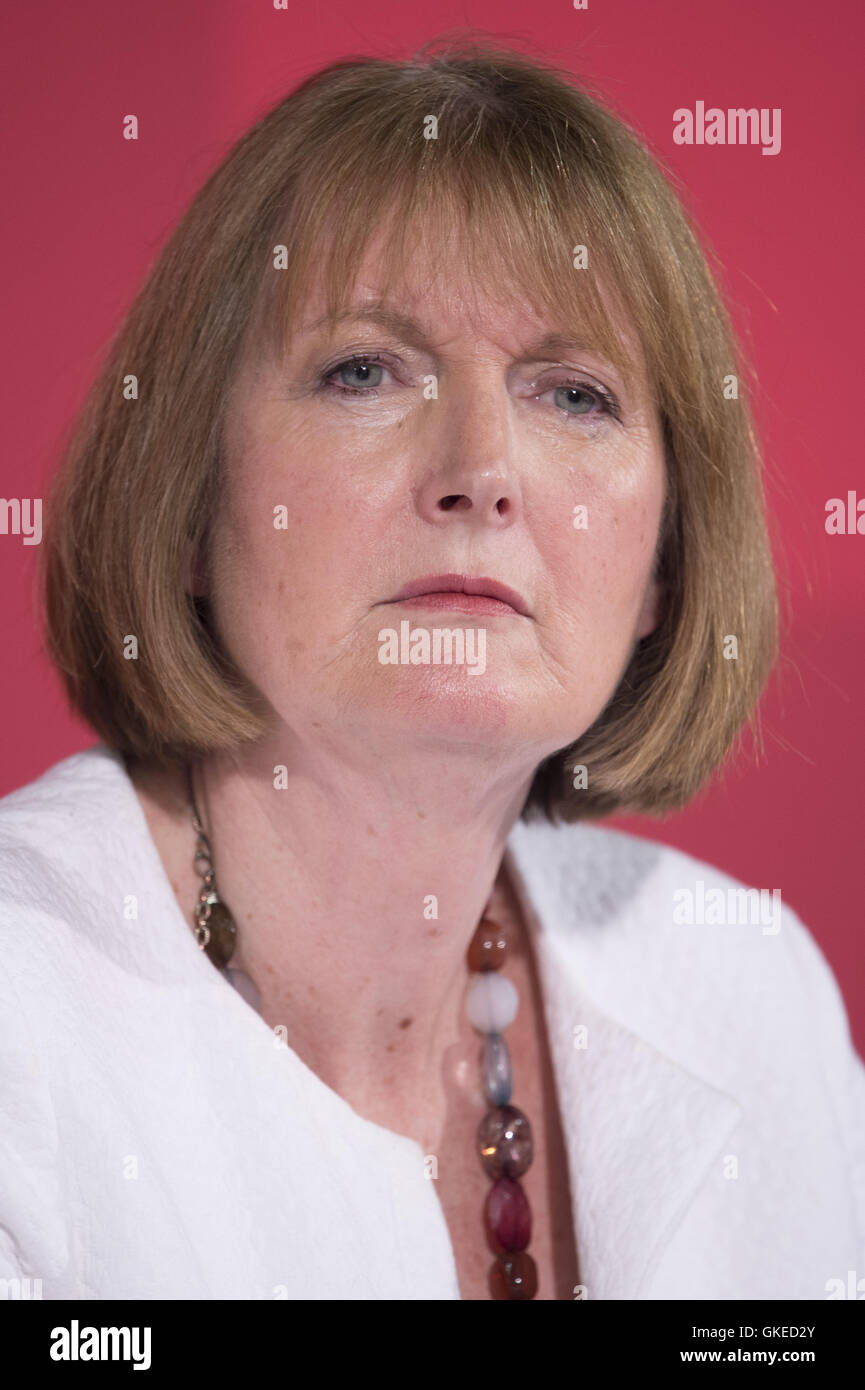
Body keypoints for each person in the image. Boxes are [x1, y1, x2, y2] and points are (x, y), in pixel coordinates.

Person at [1, 39, 862, 1302]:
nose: (480, 465)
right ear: (188, 502)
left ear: (665, 566)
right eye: (364, 370)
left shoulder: (752, 987)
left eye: (572, 395)